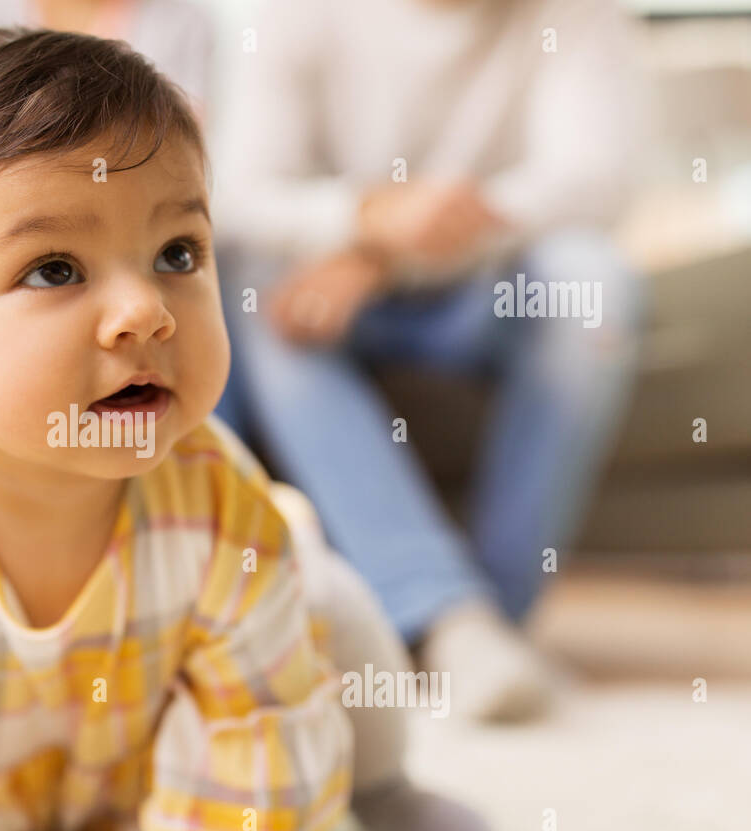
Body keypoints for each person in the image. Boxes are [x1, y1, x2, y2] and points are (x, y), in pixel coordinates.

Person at [0, 26, 491, 831]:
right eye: (55, 269)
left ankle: (384, 788)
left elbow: (257, 780)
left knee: (330, 602)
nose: (147, 310)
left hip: (158, 797)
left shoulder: (224, 516)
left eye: (178, 253)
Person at [213, 0, 648, 723]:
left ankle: (496, 619)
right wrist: (360, 223)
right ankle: (450, 619)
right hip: (331, 290)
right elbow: (238, 194)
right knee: (255, 281)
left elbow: (594, 181)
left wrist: (388, 254)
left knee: (592, 279)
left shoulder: (576, 13)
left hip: (486, 282)